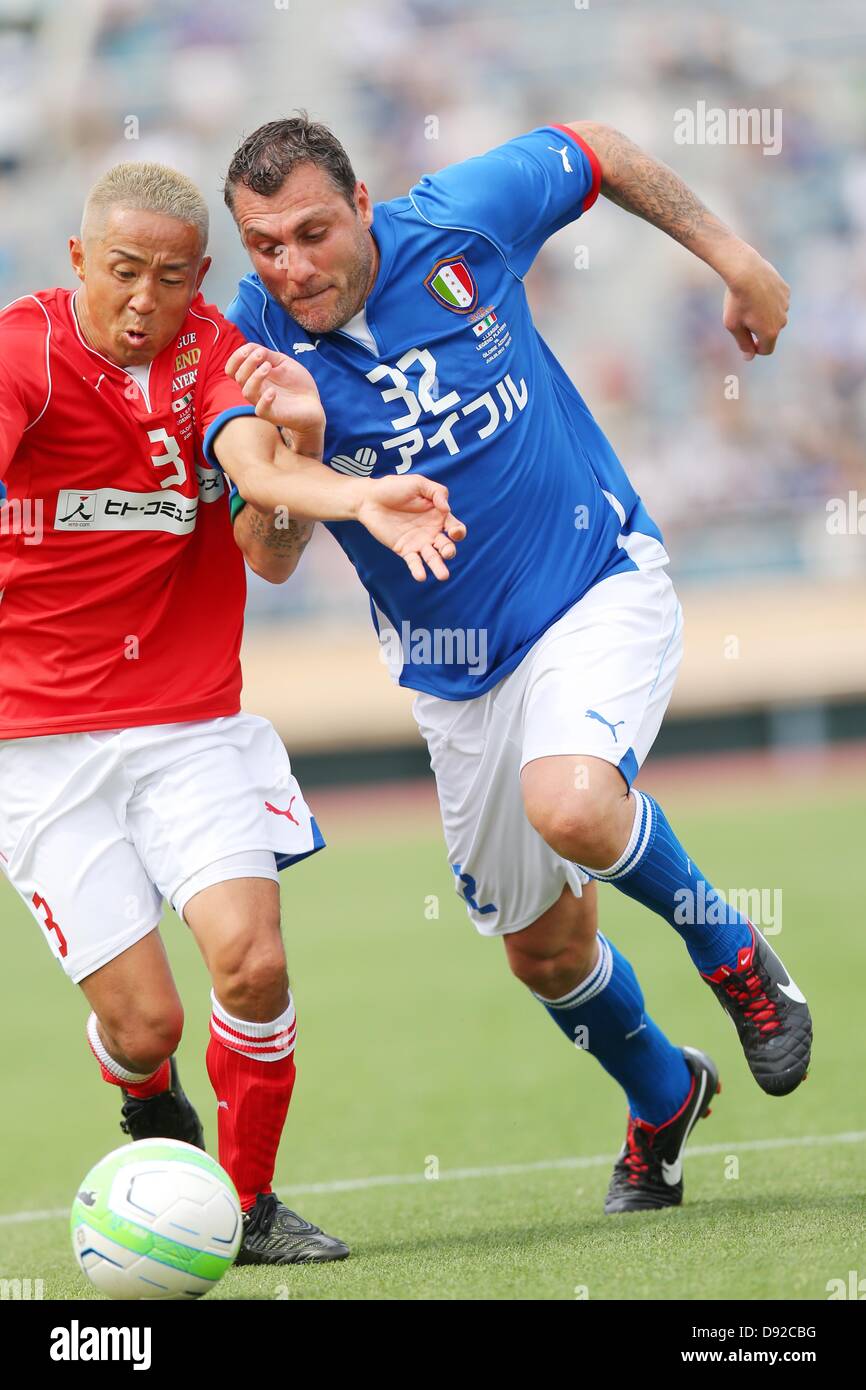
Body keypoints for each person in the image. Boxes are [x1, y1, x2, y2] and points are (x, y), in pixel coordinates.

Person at [221, 114, 813, 1214]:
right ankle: (662, 1097)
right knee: (544, 953)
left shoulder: (462, 218)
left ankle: (734, 959)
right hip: (455, 674)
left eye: (312, 231)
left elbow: (596, 149)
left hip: (594, 581)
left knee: (573, 803)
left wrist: (735, 258)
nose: (291, 266)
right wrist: (298, 447)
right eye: (264, 245)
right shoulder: (243, 349)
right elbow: (266, 556)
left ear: (362, 205)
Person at [0, 160, 464, 1268]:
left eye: (169, 276)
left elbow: (259, 506)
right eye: (122, 274)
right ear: (78, 264)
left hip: (189, 720)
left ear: (199, 276)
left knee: (251, 963)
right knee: (146, 1024)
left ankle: (244, 1207)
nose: (145, 300)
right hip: (34, 741)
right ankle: (149, 1098)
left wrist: (329, 475)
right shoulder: (24, 352)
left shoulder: (213, 350)